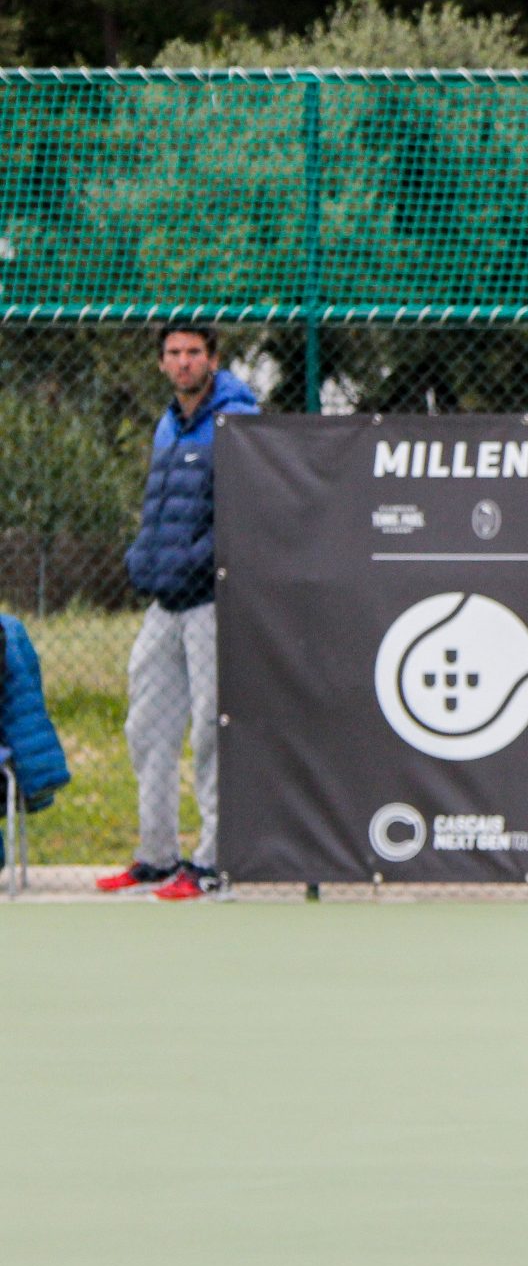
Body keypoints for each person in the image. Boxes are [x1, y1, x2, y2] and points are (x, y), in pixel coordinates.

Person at [98, 324, 258, 901]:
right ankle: (157, 857)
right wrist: (142, 558)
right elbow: (158, 507)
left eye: (194, 352)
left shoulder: (237, 419)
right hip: (165, 605)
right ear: (162, 363)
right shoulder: (168, 423)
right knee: (146, 728)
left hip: (214, 603)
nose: (184, 361)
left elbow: (243, 514)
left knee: (214, 735)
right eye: (174, 353)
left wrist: (193, 564)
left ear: (213, 359)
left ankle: (212, 862)